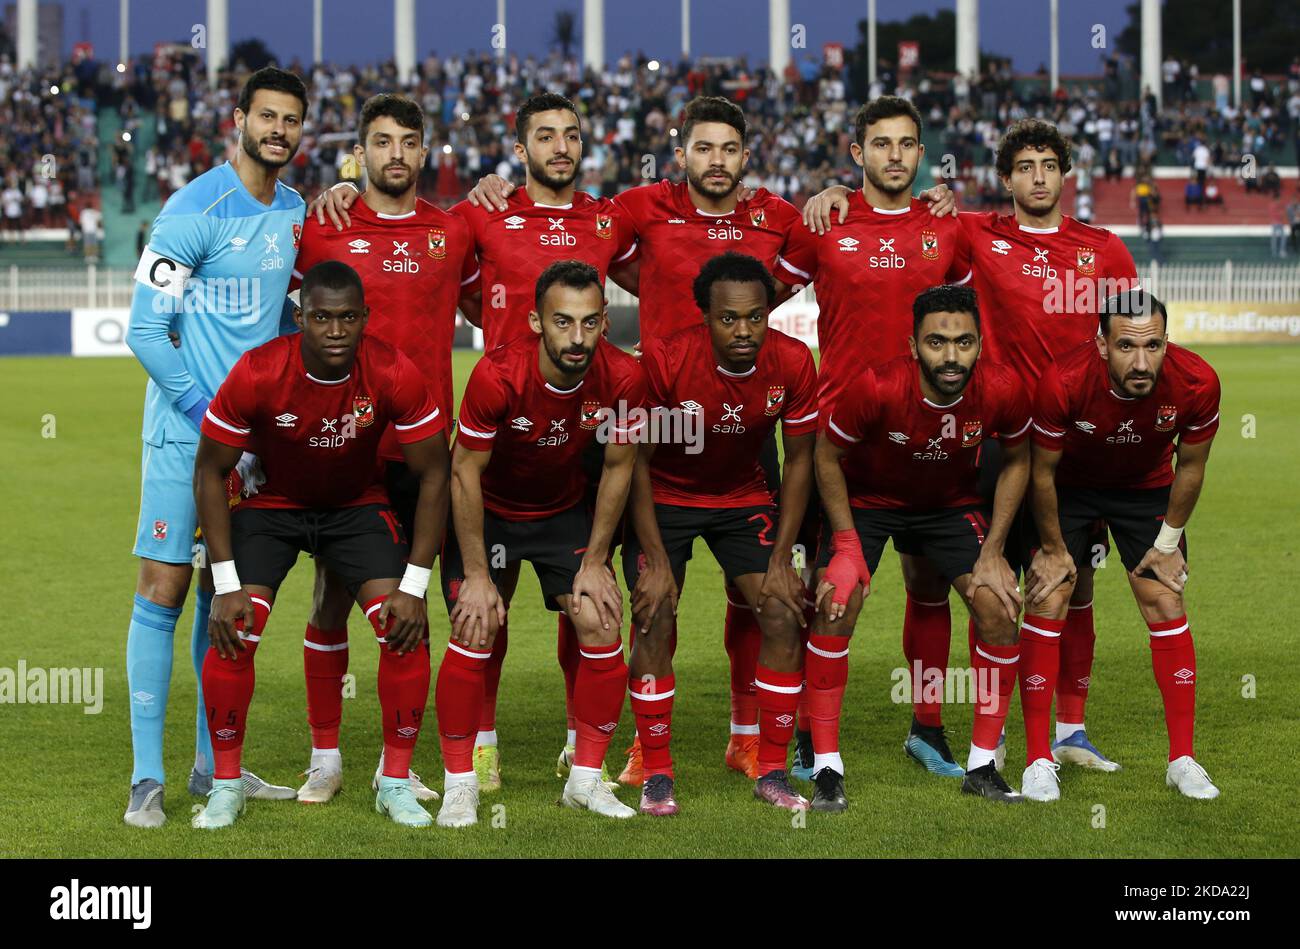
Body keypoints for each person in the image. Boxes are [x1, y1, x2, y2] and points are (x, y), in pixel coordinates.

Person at [467, 94, 958, 787]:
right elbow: (567, 243)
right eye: (704, 148)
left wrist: (834, 193)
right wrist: (495, 186)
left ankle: (746, 735)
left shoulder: (779, 219)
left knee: (753, 594)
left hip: (746, 419)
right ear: (680, 154)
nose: (717, 161)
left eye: (730, 149)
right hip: (657, 420)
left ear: (748, 156)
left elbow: (844, 244)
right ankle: (624, 742)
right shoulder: (636, 208)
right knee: (626, 589)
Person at [310, 92, 638, 791]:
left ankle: (582, 749)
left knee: (585, 595)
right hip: (478, 441)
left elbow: (681, 257)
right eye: (542, 135)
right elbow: (459, 287)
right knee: (463, 601)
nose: (558, 146)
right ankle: (458, 747)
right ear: (518, 150)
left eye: (570, 135)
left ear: (585, 146)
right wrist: (342, 181)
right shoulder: (478, 215)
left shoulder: (610, 219)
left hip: (574, 433)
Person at [192, 260, 449, 829]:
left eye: (348, 318)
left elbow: (435, 472)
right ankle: (227, 785)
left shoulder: (391, 369)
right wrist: (225, 582)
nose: (335, 331)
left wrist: (415, 583)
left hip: (356, 506)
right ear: (299, 316)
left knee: (404, 625)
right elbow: (210, 471)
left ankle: (395, 781)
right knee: (236, 628)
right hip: (273, 506)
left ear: (365, 317)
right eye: (321, 318)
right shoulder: (259, 370)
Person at [121, 67, 308, 828]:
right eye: (267, 116)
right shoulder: (191, 208)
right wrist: (210, 420)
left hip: (249, 450)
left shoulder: (296, 211)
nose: (279, 130)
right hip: (183, 436)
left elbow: (292, 307)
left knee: (223, 599)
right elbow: (144, 332)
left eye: (292, 120)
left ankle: (211, 767)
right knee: (162, 592)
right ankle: (145, 780)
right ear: (239, 119)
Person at [290, 93, 476, 804]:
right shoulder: (323, 228)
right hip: (345, 449)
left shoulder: (452, 231)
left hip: (427, 454)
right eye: (381, 142)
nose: (395, 154)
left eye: (407, 142)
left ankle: (395, 763)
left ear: (424, 153)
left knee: (414, 603)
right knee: (329, 598)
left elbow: (500, 303)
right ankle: (325, 755)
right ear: (359, 152)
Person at [782, 96, 975, 780]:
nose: (895, 155)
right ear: (857, 153)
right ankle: (810, 738)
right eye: (881, 144)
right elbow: (743, 294)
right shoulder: (825, 223)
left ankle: (928, 729)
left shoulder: (947, 229)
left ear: (922, 154)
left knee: (930, 586)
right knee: (833, 592)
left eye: (908, 143)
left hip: (933, 449)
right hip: (842, 454)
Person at [955, 119, 1141, 791]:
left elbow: (1129, 344)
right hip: (1000, 444)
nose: (1038, 175)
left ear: (1066, 174)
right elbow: (902, 224)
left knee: (1075, 584)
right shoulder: (977, 234)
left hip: (1076, 450)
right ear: (1005, 180)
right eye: (1025, 166)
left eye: (1049, 164)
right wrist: (835, 191)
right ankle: (994, 732)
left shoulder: (1105, 250)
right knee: (997, 589)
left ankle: (1070, 731)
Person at [433, 260, 644, 826]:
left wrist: (597, 562)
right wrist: (477, 576)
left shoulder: (623, 377)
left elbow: (620, 468)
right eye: (563, 323)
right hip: (490, 515)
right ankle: (460, 783)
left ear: (604, 321)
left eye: (591, 323)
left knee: (600, 620)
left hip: (560, 514)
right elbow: (464, 474)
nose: (578, 339)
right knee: (474, 625)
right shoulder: (497, 375)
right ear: (536, 321)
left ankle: (585, 780)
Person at [810, 284, 1031, 809]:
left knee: (999, 607)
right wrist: (845, 544)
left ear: (980, 343)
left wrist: (994, 549)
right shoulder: (877, 386)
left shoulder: (1002, 387)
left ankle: (981, 766)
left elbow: (1019, 459)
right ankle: (825, 767)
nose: (951, 356)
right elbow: (825, 455)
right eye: (936, 342)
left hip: (949, 506)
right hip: (869, 502)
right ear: (913, 345)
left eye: (963, 342)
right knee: (836, 604)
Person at [624, 252, 818, 815]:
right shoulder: (664, 360)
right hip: (663, 495)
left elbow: (800, 461)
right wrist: (655, 560)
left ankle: (772, 769)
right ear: (704, 316)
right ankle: (657, 772)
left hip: (743, 497)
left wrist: (783, 556)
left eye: (755, 317)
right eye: (728, 318)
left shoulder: (793, 362)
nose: (743, 330)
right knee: (655, 612)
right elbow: (632, 460)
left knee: (782, 609)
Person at [1025, 289, 1221, 800]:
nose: (1141, 361)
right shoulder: (1063, 382)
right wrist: (1051, 548)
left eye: (1153, 346)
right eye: (1127, 347)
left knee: (1164, 597)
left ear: (1166, 342)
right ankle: (1037, 758)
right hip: (1067, 486)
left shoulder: (1197, 381)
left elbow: (1192, 466)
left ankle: (1182, 759)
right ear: (1101, 345)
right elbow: (1040, 473)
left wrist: (1168, 541)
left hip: (1144, 486)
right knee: (1050, 596)